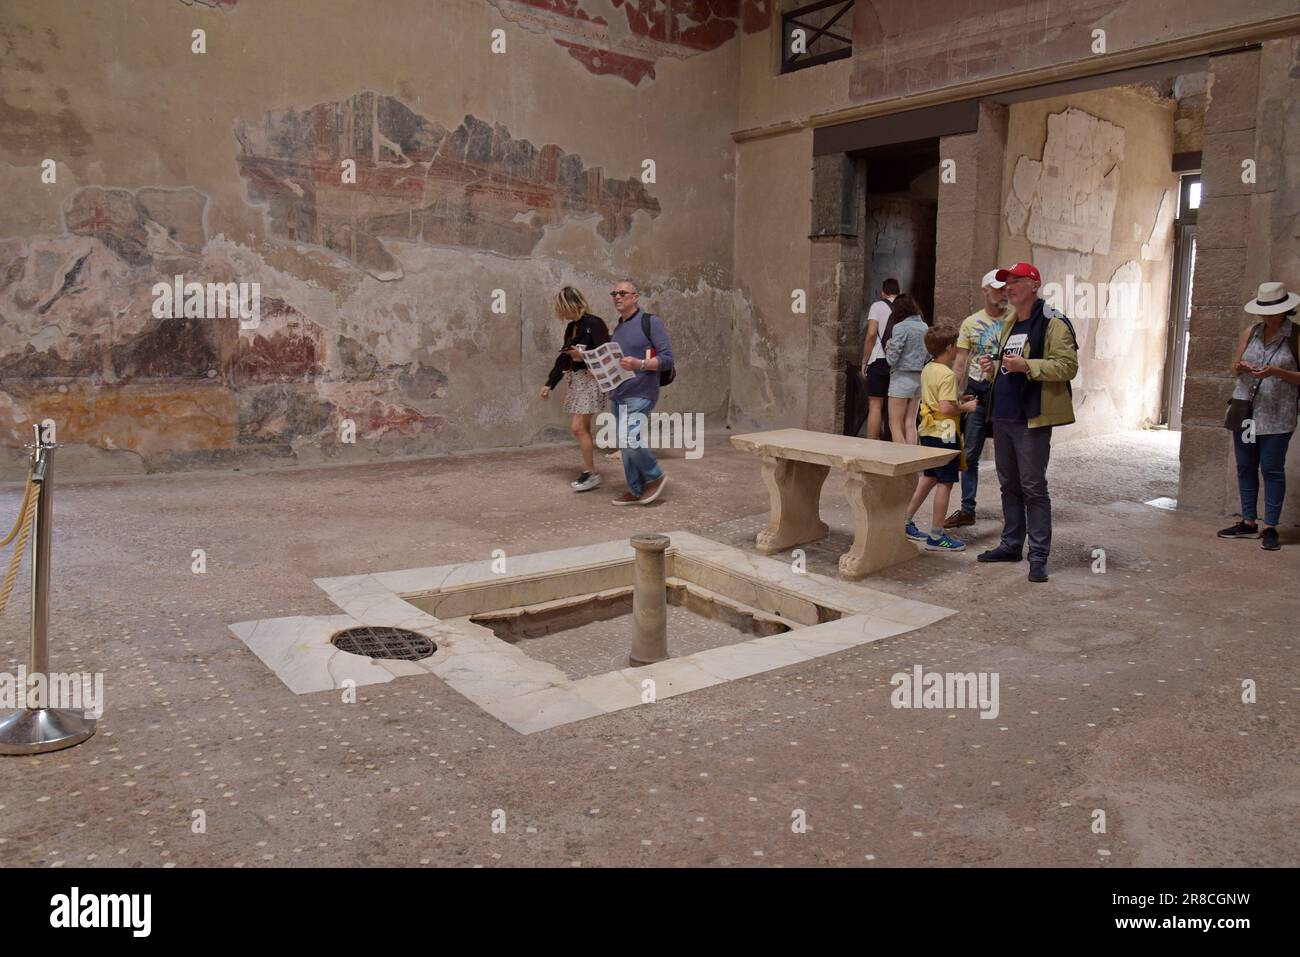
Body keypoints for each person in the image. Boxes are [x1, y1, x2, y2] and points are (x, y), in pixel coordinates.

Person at [975, 262, 1078, 583]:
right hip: (1004, 414)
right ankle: (1011, 544)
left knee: (1033, 487)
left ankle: (1038, 555)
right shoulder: (1008, 322)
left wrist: (1027, 366)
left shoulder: (1053, 323)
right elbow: (1007, 365)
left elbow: (1067, 366)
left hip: (1032, 416)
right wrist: (992, 369)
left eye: (1017, 281)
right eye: (1007, 283)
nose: (1010, 287)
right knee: (1008, 485)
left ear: (1035, 285)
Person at [1217, 281, 1300, 551]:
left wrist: (1276, 372)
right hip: (1246, 408)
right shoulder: (1251, 332)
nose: (1267, 316)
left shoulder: (1296, 336)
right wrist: (1241, 366)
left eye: (1272, 311)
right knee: (1245, 466)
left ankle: (1270, 526)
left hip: (1278, 413)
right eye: (1263, 311)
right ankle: (1248, 521)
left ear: (1285, 310)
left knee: (1272, 468)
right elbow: (1234, 367)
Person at [904, 324, 978, 551]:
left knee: (929, 477)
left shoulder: (928, 368)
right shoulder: (947, 374)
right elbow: (946, 408)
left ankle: (904, 520)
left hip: (928, 431)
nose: (957, 349)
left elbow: (938, 399)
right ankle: (937, 535)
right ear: (949, 348)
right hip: (944, 434)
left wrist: (958, 399)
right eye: (955, 345)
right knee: (945, 483)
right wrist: (966, 407)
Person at [945, 270, 1009, 528]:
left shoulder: (1015, 319)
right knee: (970, 452)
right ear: (985, 290)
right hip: (979, 391)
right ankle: (967, 509)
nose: (1003, 292)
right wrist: (951, 395)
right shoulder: (971, 323)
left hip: (1006, 392)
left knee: (1008, 453)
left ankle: (1014, 512)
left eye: (1006, 288)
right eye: (998, 288)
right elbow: (960, 362)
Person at [607, 279, 674, 505]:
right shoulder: (618, 328)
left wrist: (639, 364)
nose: (617, 296)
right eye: (614, 293)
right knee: (625, 445)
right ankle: (635, 489)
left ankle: (655, 476)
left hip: (642, 392)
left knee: (628, 438)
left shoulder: (650, 322)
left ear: (635, 297)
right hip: (618, 394)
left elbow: (667, 359)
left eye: (623, 293)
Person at [539, 286, 610, 491]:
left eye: (561, 308)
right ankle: (590, 472)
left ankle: (592, 473)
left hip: (591, 381)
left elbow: (606, 353)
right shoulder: (572, 327)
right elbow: (564, 357)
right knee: (584, 429)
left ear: (571, 305)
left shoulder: (594, 323)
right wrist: (549, 384)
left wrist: (585, 359)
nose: (560, 313)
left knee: (577, 428)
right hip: (576, 381)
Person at [883, 294, 930, 445]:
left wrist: (888, 346)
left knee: (895, 425)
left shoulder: (900, 327)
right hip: (918, 378)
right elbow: (928, 355)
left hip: (901, 378)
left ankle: (902, 464)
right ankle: (912, 466)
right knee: (910, 424)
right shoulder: (924, 326)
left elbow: (891, 359)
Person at [861, 278, 900, 439]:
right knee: (896, 406)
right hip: (898, 362)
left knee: (875, 405)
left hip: (879, 359)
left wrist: (864, 361)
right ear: (899, 291)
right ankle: (893, 444)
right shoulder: (906, 306)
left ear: (883, 292)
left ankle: (872, 446)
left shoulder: (877, 306)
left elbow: (871, 334)